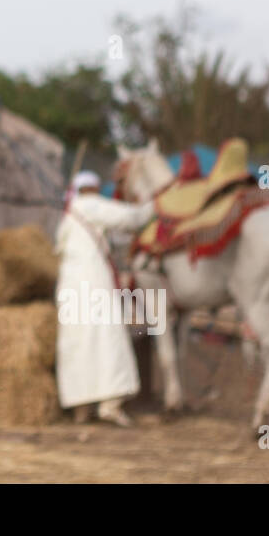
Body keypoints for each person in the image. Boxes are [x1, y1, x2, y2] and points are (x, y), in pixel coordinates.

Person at [54, 170, 155, 427]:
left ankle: (81, 405)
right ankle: (109, 406)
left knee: (77, 344)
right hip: (94, 286)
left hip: (70, 288)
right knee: (108, 341)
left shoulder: (68, 217)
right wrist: (157, 201)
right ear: (94, 188)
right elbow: (133, 219)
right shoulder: (92, 205)